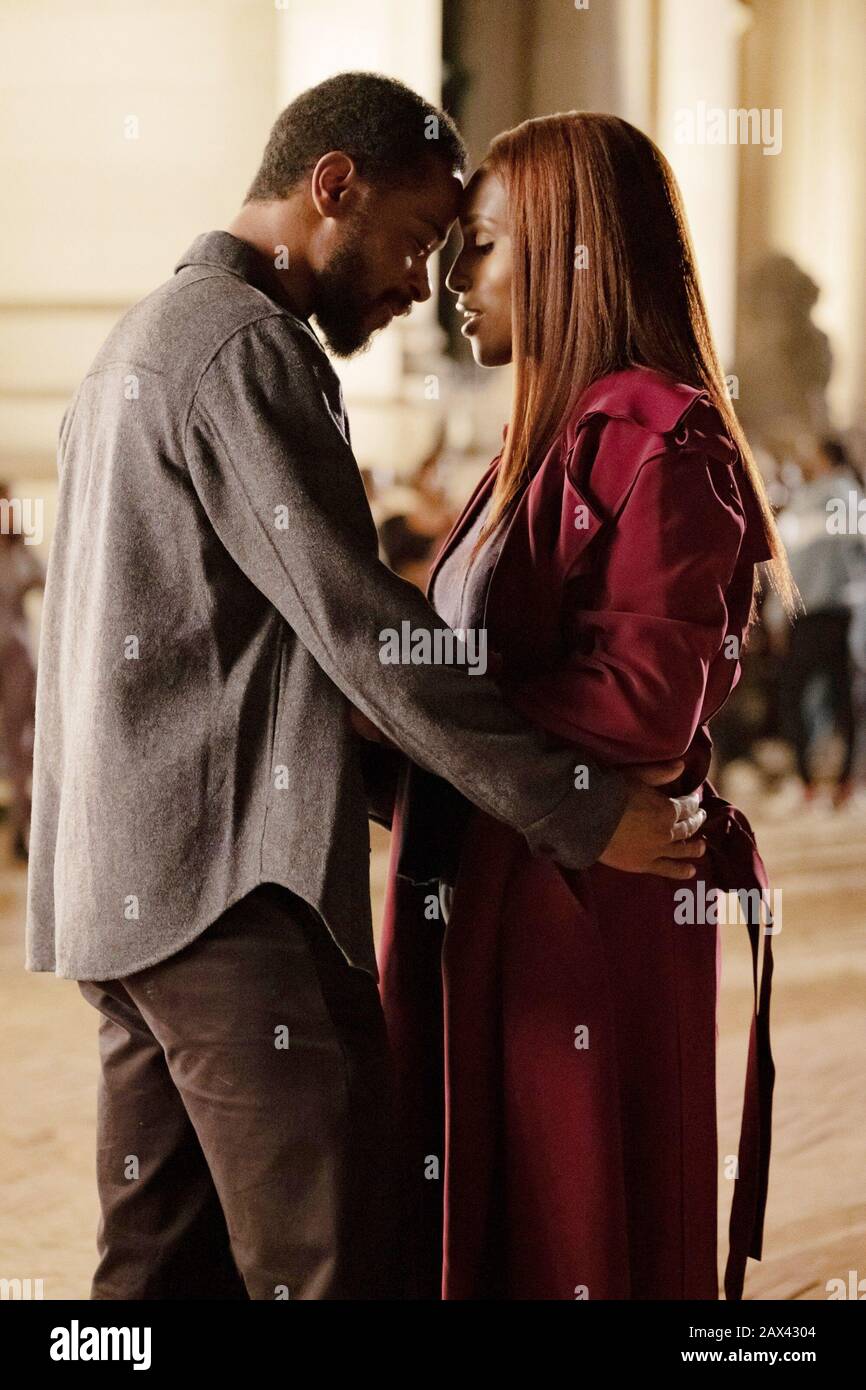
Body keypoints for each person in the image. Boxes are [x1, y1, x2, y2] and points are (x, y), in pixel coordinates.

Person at [24, 75, 706, 1301]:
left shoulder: (142, 341)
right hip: (233, 900)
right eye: (415, 243)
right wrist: (580, 807)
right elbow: (367, 634)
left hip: (128, 897)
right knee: (340, 1263)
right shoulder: (242, 346)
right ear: (330, 188)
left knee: (155, 1279)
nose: (419, 289)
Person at [375, 113, 797, 1301]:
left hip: (583, 905)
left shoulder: (655, 434)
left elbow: (643, 701)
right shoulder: (539, 440)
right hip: (503, 880)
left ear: (570, 254)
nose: (456, 281)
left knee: (574, 1228)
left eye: (485, 247)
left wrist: (413, 706)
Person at [766, 437, 866, 807]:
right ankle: (846, 787)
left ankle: (806, 783)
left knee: (795, 696)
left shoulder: (806, 503)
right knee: (847, 700)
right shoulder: (853, 498)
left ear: (824, 459)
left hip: (808, 617)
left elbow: (785, 567)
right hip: (846, 615)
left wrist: (777, 615)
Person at [0, 484, 44, 859]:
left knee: (20, 742)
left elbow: (53, 584)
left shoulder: (20, 555)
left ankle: (22, 825)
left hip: (16, 656)